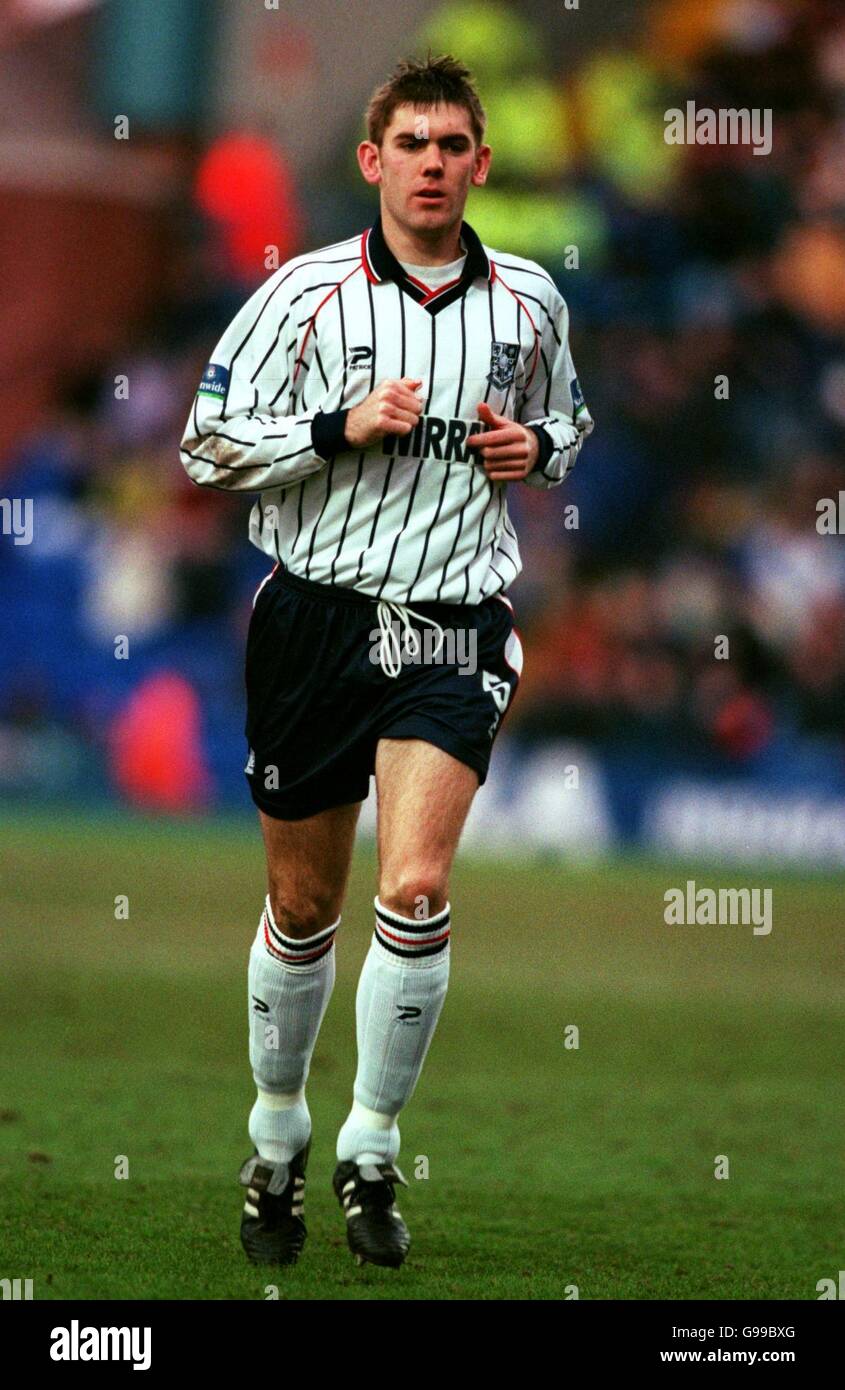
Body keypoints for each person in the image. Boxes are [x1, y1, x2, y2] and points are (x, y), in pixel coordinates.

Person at [179, 53, 593, 1270]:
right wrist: (334, 427)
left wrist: (539, 448)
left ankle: (369, 1149)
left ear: (478, 163)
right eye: (407, 143)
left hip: (450, 622)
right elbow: (204, 446)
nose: (428, 163)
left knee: (410, 888)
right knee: (304, 905)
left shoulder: (528, 301)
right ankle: (274, 1139)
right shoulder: (302, 293)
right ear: (372, 163)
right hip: (314, 615)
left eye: (449, 145)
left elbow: (567, 418)